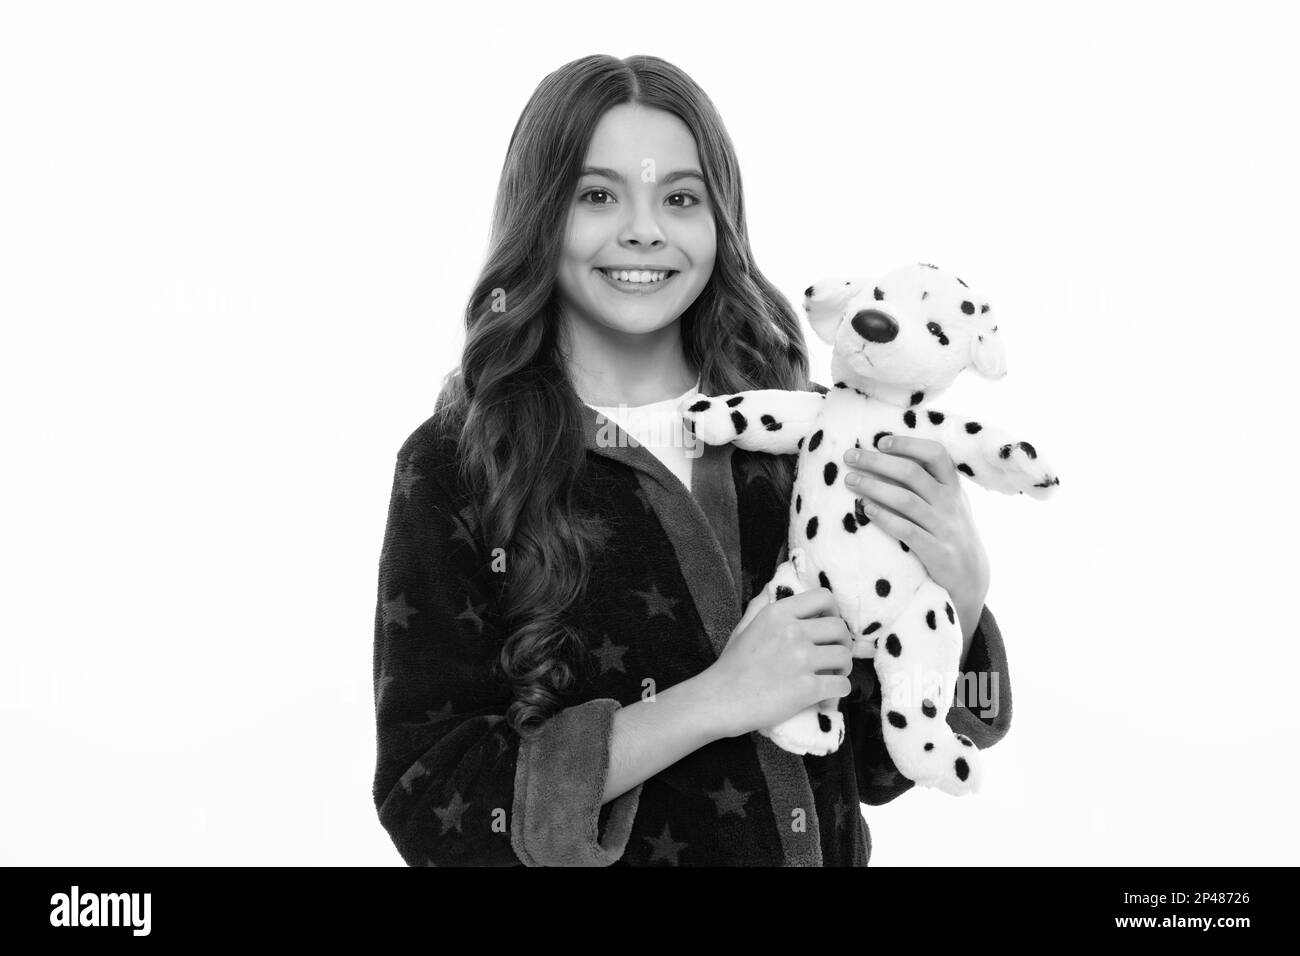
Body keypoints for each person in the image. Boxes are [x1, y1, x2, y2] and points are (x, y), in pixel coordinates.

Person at [371, 53, 1012, 867]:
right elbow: (432, 801)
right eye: (597, 196)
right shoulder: (458, 465)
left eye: (680, 198)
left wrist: (960, 589)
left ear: (720, 223)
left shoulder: (807, 438)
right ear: (540, 217)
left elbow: (875, 768)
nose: (644, 230)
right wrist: (716, 700)